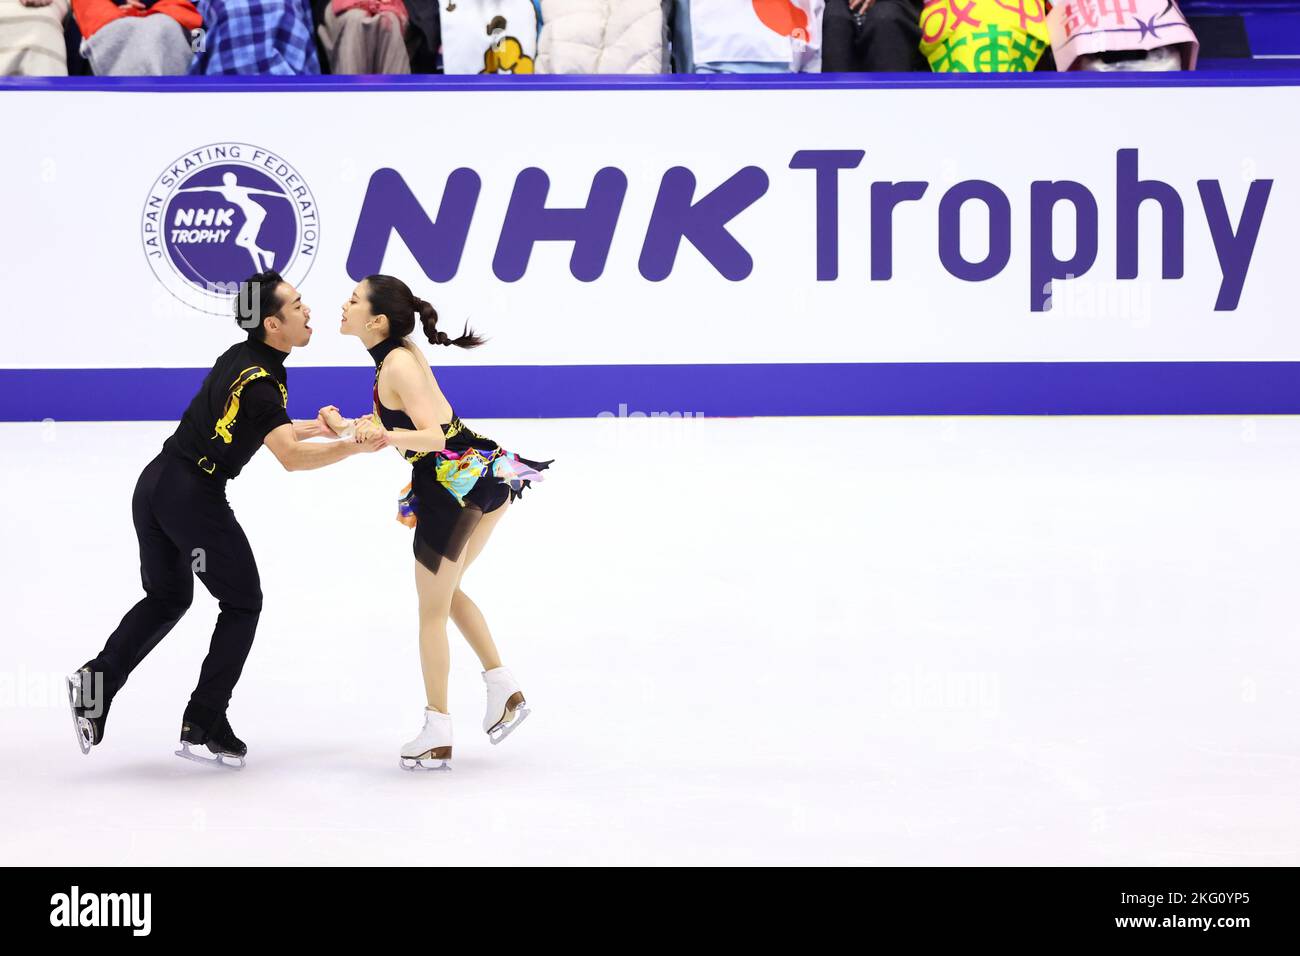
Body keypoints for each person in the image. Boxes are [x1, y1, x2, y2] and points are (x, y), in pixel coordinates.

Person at [66, 272, 386, 769]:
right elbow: (290, 458)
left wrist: (316, 427)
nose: (309, 312)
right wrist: (351, 445)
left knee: (169, 596)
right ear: (273, 323)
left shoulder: (243, 359)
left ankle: (98, 682)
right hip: (192, 498)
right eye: (298, 306)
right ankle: (205, 718)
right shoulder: (263, 380)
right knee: (243, 602)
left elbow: (260, 428)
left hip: (156, 485)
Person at [323, 274, 552, 771]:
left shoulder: (397, 363)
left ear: (377, 320)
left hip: (451, 489)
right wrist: (350, 426)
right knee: (446, 595)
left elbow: (430, 435)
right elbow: (413, 421)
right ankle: (503, 687)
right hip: (486, 471)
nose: (345, 304)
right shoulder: (399, 354)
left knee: (431, 610)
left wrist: (382, 433)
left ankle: (438, 730)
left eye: (354, 300)